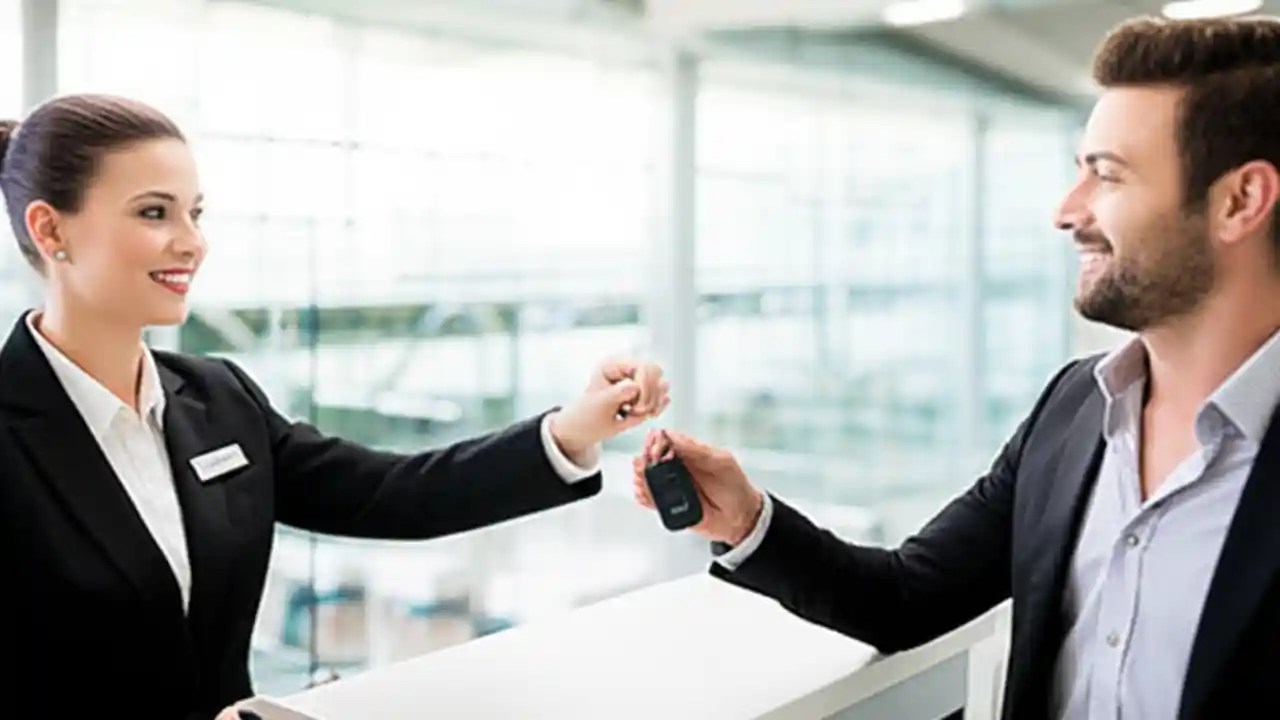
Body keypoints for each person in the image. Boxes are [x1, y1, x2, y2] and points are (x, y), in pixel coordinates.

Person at [633, 15, 1280, 720]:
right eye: (1077, 172)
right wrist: (745, 519)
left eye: (1107, 175)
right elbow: (908, 596)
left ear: (1239, 201)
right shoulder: (1074, 408)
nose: (1068, 212)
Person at [0, 93, 670, 720]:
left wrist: (569, 432)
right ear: (50, 229)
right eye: (154, 212)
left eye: (194, 212)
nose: (192, 241)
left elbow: (391, 494)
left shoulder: (218, 399)